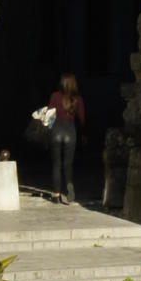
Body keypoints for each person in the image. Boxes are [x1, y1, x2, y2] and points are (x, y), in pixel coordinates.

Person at [46, 73, 86, 203]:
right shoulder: (78, 99)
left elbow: (49, 115)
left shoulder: (55, 96)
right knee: (68, 164)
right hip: (70, 132)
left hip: (56, 131)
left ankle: (56, 195)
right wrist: (84, 133)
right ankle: (69, 186)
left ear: (62, 83)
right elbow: (82, 119)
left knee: (56, 164)